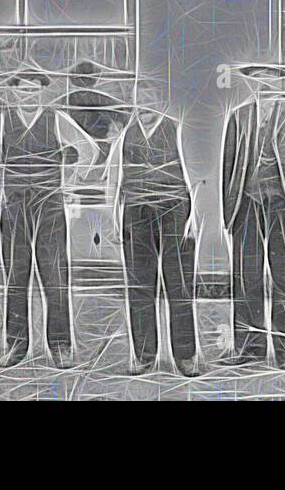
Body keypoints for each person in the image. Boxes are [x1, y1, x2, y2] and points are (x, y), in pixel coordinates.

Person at [220, 71, 285, 369]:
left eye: (270, 79)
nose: (264, 85)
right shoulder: (238, 116)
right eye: (258, 79)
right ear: (252, 84)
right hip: (246, 206)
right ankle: (250, 347)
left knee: (283, 280)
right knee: (246, 278)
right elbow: (227, 167)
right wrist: (229, 213)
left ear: (279, 83)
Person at [104, 86, 200, 377]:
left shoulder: (178, 130)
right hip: (136, 214)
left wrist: (194, 217)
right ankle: (145, 355)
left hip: (174, 213)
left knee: (178, 284)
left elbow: (194, 175)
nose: (143, 108)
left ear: (159, 103)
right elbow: (113, 179)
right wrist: (114, 219)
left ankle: (185, 355)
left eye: (149, 102)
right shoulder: (125, 137)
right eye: (138, 103)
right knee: (139, 286)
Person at [0, 72, 81, 368]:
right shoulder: (3, 121)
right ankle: (15, 347)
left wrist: (70, 183)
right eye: (22, 90)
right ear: (14, 93)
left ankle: (61, 347)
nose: (28, 95)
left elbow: (89, 150)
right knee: (16, 277)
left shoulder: (57, 119)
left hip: (50, 206)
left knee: (54, 278)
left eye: (33, 90)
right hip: (14, 208)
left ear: (42, 92)